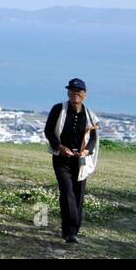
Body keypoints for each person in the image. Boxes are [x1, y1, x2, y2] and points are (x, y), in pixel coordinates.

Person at [43, 78, 99, 244]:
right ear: (68, 93)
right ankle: (69, 230)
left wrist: (86, 151)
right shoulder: (58, 109)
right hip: (61, 158)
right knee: (67, 192)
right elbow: (49, 131)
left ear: (84, 95)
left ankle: (72, 231)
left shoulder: (90, 115)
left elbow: (93, 138)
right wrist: (59, 147)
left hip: (80, 160)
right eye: (72, 91)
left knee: (78, 194)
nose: (75, 94)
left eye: (78, 92)